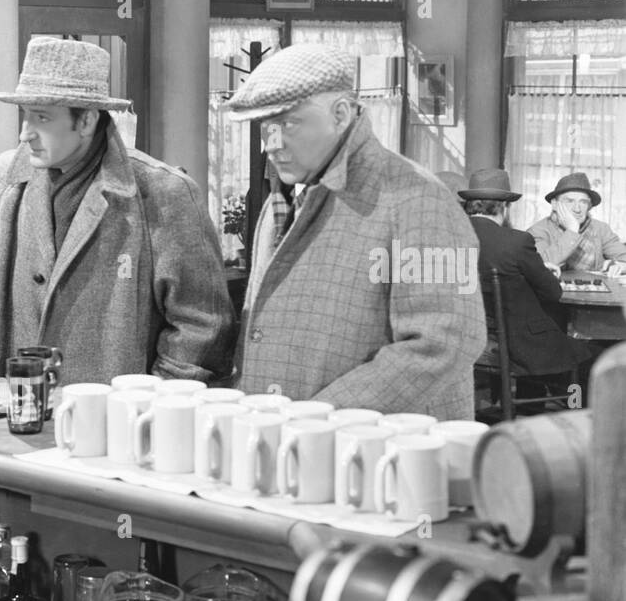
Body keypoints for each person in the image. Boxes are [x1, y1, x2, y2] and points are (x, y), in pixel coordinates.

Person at [0, 36, 234, 388]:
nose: (25, 133)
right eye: (24, 115)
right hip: (17, 411)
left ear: (87, 121)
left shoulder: (162, 193)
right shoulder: (4, 181)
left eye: (42, 117)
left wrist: (150, 403)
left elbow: (202, 325)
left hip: (116, 424)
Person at [226, 43, 485, 418]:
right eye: (266, 126)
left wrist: (319, 420)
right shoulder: (280, 201)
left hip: (382, 460)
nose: (272, 144)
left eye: (290, 123)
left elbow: (446, 343)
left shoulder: (420, 199)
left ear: (342, 114)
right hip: (288, 453)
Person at [462, 168, 593, 396]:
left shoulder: (451, 238)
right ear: (504, 207)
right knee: (588, 354)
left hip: (471, 338)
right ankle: (575, 409)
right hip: (519, 344)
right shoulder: (517, 241)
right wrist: (545, 274)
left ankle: (531, 407)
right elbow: (553, 294)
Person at [527, 172, 626, 276]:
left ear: (589, 206)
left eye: (583, 202)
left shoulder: (601, 228)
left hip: (594, 290)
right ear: (555, 204)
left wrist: (620, 266)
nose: (577, 209)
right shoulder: (537, 231)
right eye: (570, 201)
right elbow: (539, 266)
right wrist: (572, 231)